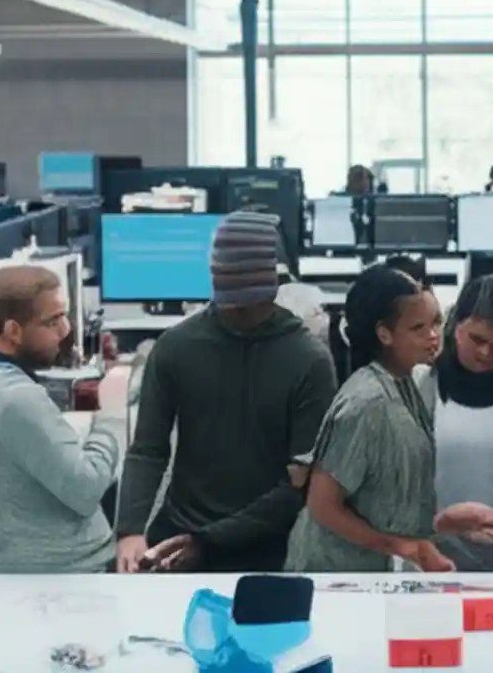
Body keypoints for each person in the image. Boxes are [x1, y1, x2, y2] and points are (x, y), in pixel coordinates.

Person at [116, 212, 338, 573]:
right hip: (179, 539)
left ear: (271, 288)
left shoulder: (308, 361)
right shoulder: (177, 347)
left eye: (248, 304)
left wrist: (208, 542)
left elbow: (300, 486)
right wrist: (129, 531)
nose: (237, 313)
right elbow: (147, 451)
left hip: (267, 548)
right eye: (229, 303)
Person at [285, 265, 493, 572]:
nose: (433, 336)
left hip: (372, 572)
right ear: (384, 334)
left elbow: (386, 498)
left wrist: (446, 523)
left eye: (436, 322)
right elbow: (323, 506)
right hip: (331, 575)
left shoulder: (406, 384)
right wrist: (404, 547)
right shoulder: (366, 403)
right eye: (418, 328)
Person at [0, 265, 120, 572]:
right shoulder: (16, 398)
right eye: (52, 321)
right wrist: (110, 417)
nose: (65, 331)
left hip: (11, 564)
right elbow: (86, 489)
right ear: (13, 331)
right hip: (60, 577)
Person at [414, 275, 493, 571]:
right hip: (438, 556)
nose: (487, 353)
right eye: (478, 340)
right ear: (456, 326)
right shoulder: (423, 386)